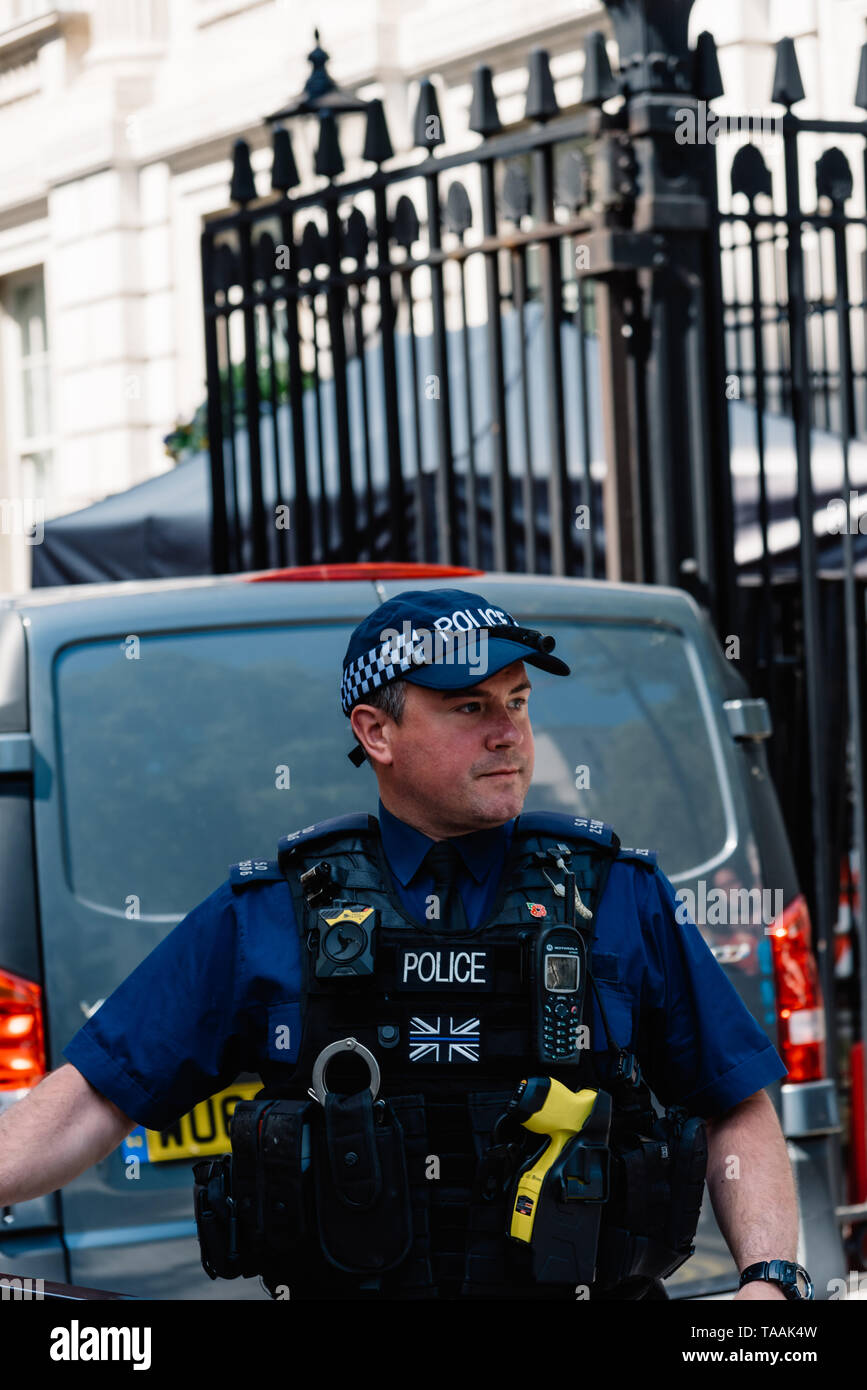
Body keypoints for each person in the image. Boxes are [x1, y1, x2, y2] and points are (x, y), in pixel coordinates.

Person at [0, 587, 806, 1302]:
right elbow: (97, 1095)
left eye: (518, 702)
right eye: (470, 708)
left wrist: (770, 1282)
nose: (507, 734)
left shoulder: (617, 895)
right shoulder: (270, 910)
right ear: (375, 732)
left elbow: (733, 1101)